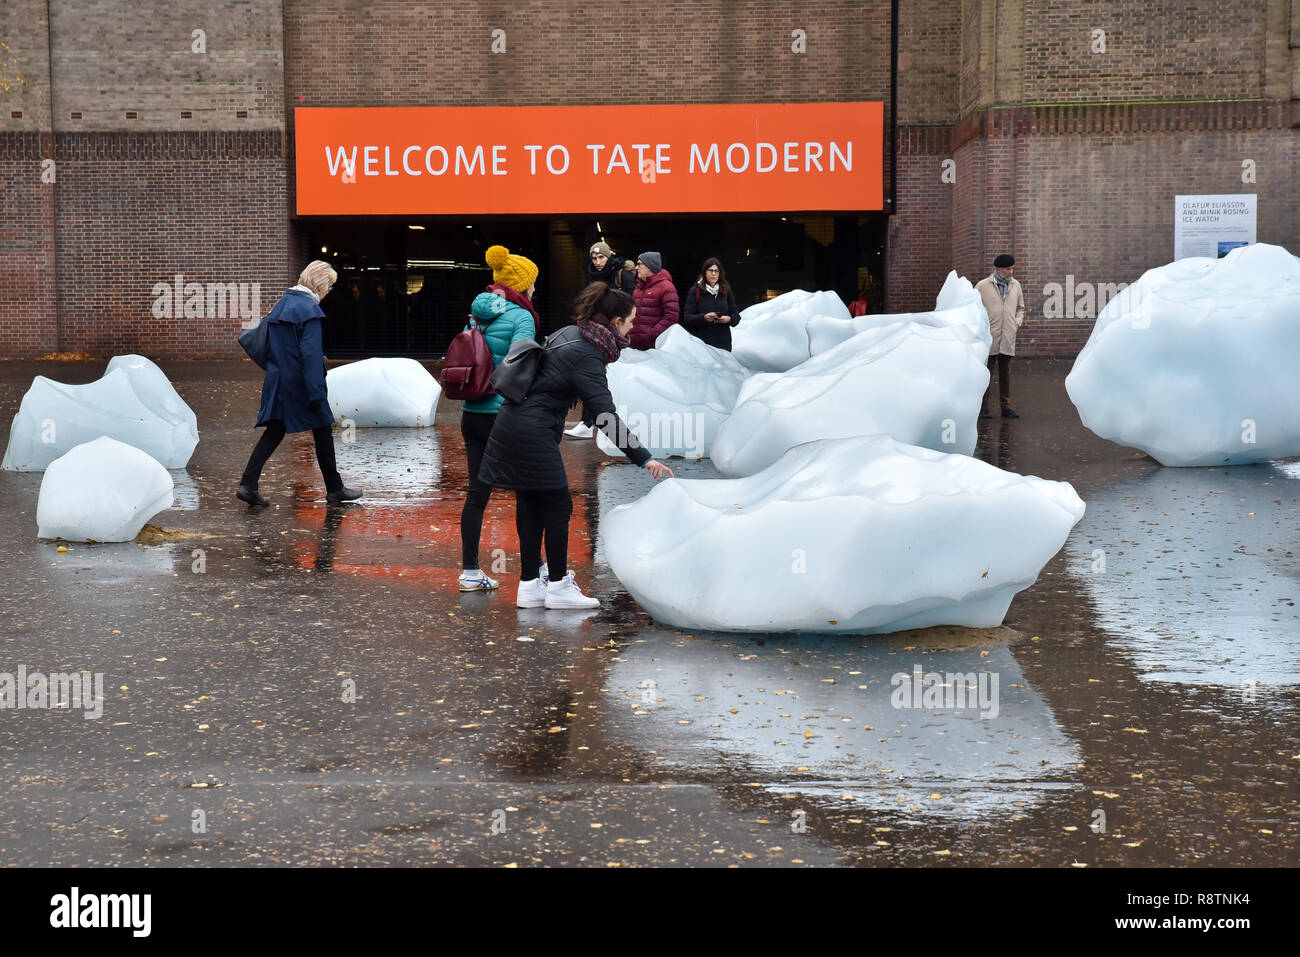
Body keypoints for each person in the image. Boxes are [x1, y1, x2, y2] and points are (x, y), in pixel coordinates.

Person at [478, 282, 674, 610]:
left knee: (531, 504)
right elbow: (605, 416)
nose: (632, 328)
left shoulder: (572, 333)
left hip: (511, 422)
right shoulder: (588, 355)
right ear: (614, 323)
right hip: (532, 432)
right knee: (557, 506)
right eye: (629, 321)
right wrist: (644, 458)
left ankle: (530, 587)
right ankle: (557, 587)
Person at [237, 261, 362, 507]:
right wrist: (316, 392)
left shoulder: (281, 305)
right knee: (323, 428)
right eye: (330, 286)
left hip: (278, 381)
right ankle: (335, 489)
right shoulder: (309, 311)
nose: (329, 291)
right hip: (301, 385)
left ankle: (248, 484)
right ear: (320, 284)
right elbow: (311, 356)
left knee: (274, 431)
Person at [458, 245, 540, 591]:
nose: (535, 289)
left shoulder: (479, 312)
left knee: (477, 494)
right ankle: (534, 572)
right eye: (533, 283)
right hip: (503, 415)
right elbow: (521, 369)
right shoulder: (522, 316)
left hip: (471, 412)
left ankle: (470, 572)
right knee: (527, 491)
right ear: (522, 285)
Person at [564, 241, 638, 439]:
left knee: (606, 381)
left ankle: (595, 424)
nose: (598, 261)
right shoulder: (594, 276)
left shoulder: (624, 276)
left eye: (601, 257)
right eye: (595, 258)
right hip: (600, 334)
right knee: (594, 378)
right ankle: (587, 423)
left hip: (617, 336)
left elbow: (630, 308)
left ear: (609, 256)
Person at [976, 253, 1025, 418]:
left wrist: (1016, 323)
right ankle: (983, 407)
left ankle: (1006, 407)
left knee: (1006, 374)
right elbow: (974, 309)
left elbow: (1020, 308)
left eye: (1012, 268)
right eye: (1008, 268)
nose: (1011, 271)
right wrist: (982, 328)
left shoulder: (1016, 285)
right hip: (989, 336)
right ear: (998, 268)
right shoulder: (982, 286)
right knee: (986, 374)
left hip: (1008, 336)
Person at [681, 257, 742, 350]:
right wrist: (703, 317)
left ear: (720, 273)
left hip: (723, 345)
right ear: (705, 272)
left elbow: (736, 316)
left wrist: (729, 319)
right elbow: (687, 318)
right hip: (702, 345)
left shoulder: (726, 290)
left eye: (716, 271)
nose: (713, 274)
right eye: (710, 270)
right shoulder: (695, 291)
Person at [629, 251, 679, 349]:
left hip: (653, 347)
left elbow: (672, 317)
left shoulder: (667, 287)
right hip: (634, 346)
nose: (636, 268)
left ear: (650, 266)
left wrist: (652, 335)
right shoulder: (638, 288)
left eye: (639, 264)